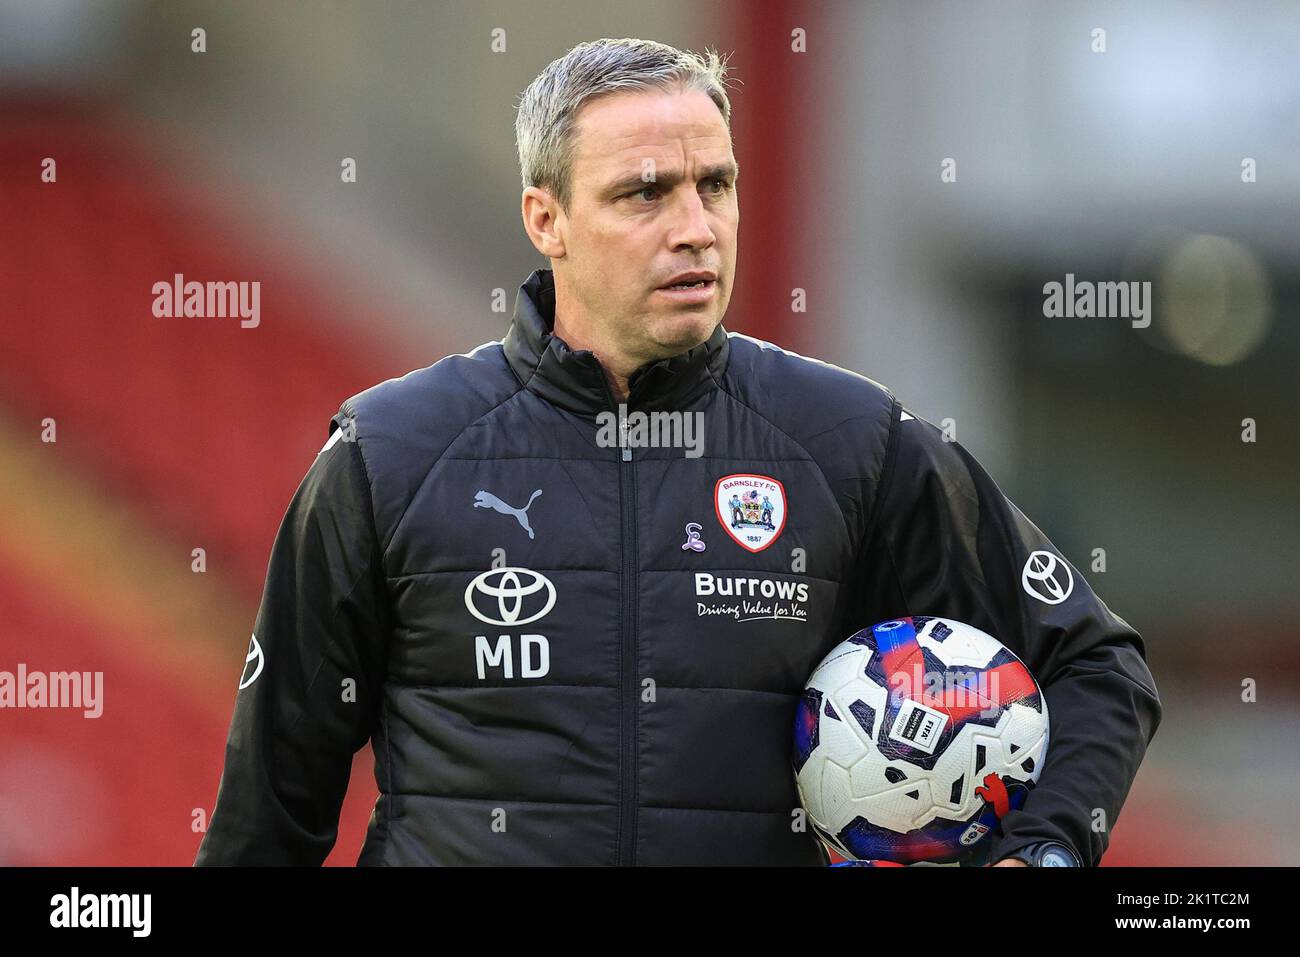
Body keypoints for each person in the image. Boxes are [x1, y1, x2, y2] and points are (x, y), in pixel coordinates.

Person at [195, 38, 1160, 867]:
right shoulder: (392, 453)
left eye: (716, 186)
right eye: (645, 193)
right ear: (546, 219)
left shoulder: (849, 441)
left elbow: (1097, 664)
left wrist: (1046, 849)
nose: (695, 229)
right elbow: (268, 815)